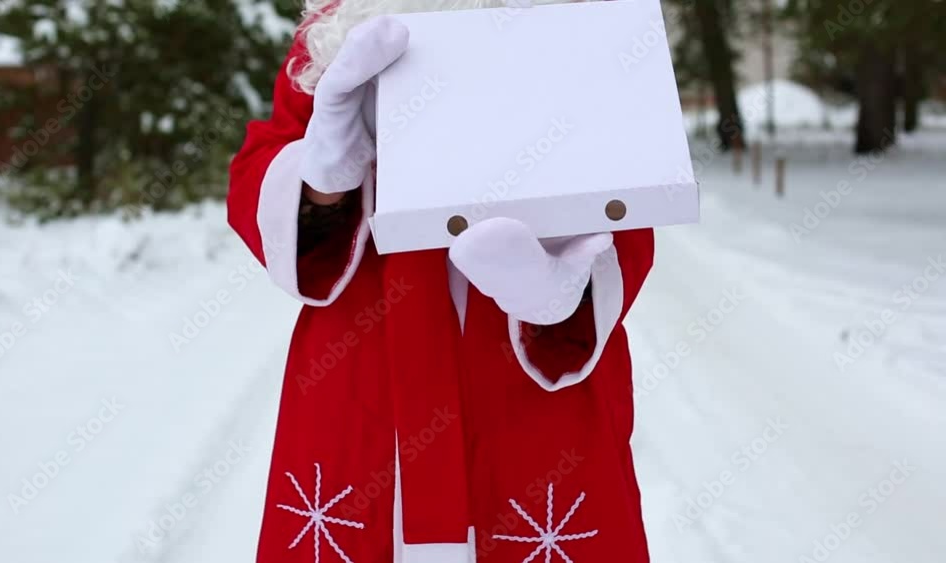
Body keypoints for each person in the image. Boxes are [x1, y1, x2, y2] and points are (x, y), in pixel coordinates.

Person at [227, 1, 655, 561]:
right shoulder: (342, 22)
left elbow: (632, 187)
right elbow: (258, 165)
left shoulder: (575, 20)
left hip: (526, 376)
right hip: (365, 356)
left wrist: (565, 292)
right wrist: (323, 177)